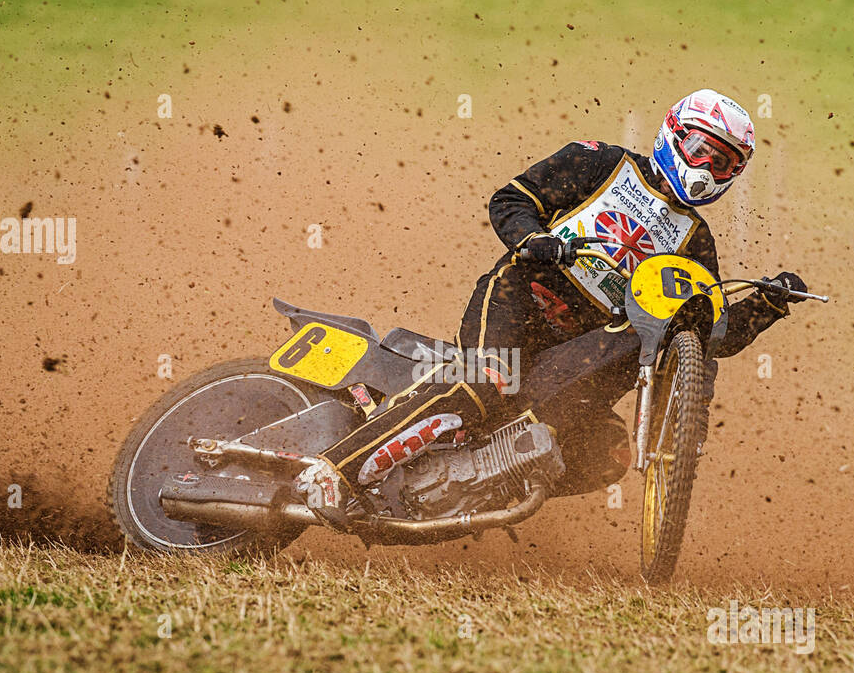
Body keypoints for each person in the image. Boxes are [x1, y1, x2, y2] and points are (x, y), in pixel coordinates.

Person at [296, 89, 807, 512]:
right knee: (488, 381)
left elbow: (703, 337)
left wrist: (767, 305)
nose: (706, 169)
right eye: (701, 150)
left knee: (605, 452)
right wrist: (532, 239)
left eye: (723, 163)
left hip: (582, 348)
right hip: (520, 297)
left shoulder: (697, 243)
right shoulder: (597, 162)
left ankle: (473, 491)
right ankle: (331, 471)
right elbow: (510, 200)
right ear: (673, 133)